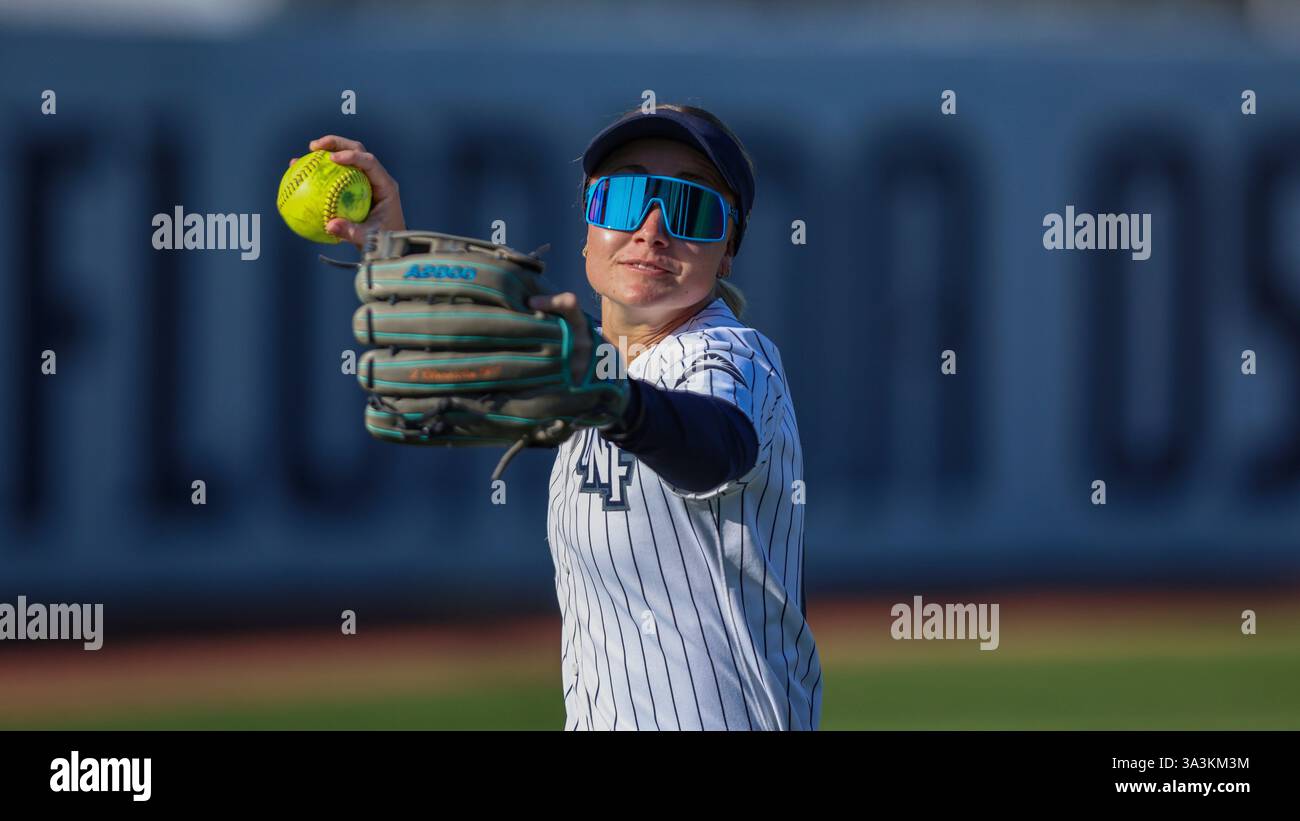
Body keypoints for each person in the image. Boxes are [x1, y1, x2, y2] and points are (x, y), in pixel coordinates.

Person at [303, 102, 821, 730]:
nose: (652, 230)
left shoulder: (727, 356)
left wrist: (616, 402)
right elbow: (477, 351)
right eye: (625, 197)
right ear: (588, 231)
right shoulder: (598, 372)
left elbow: (717, 446)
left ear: (728, 250)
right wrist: (389, 249)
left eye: (691, 208)